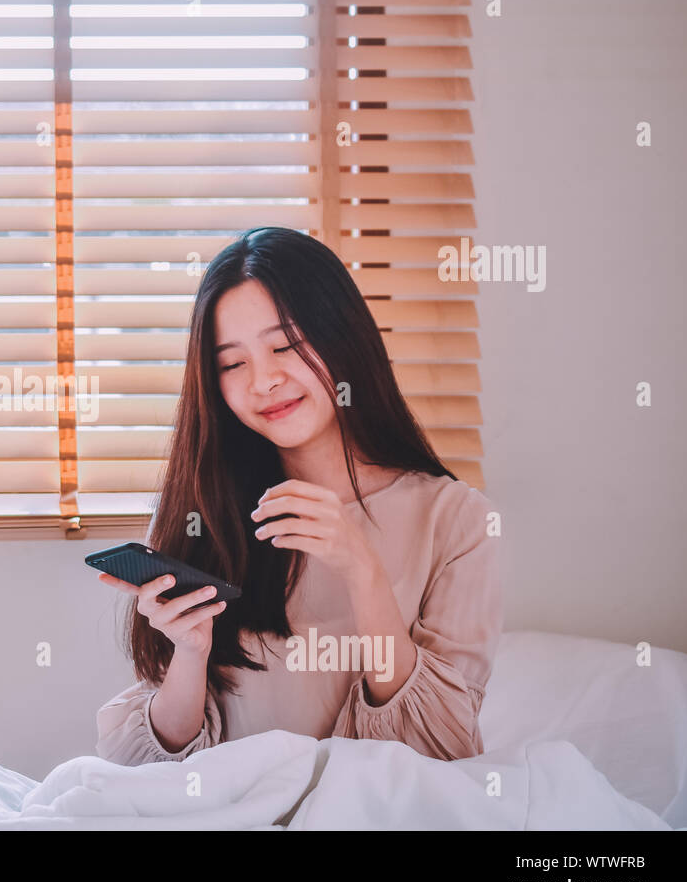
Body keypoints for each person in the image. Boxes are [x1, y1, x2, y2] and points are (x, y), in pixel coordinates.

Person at [94, 226, 503, 765]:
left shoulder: (457, 520)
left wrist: (363, 569)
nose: (263, 380)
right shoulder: (208, 515)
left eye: (284, 344)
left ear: (344, 337)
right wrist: (189, 657)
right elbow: (146, 773)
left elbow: (437, 752)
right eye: (232, 363)